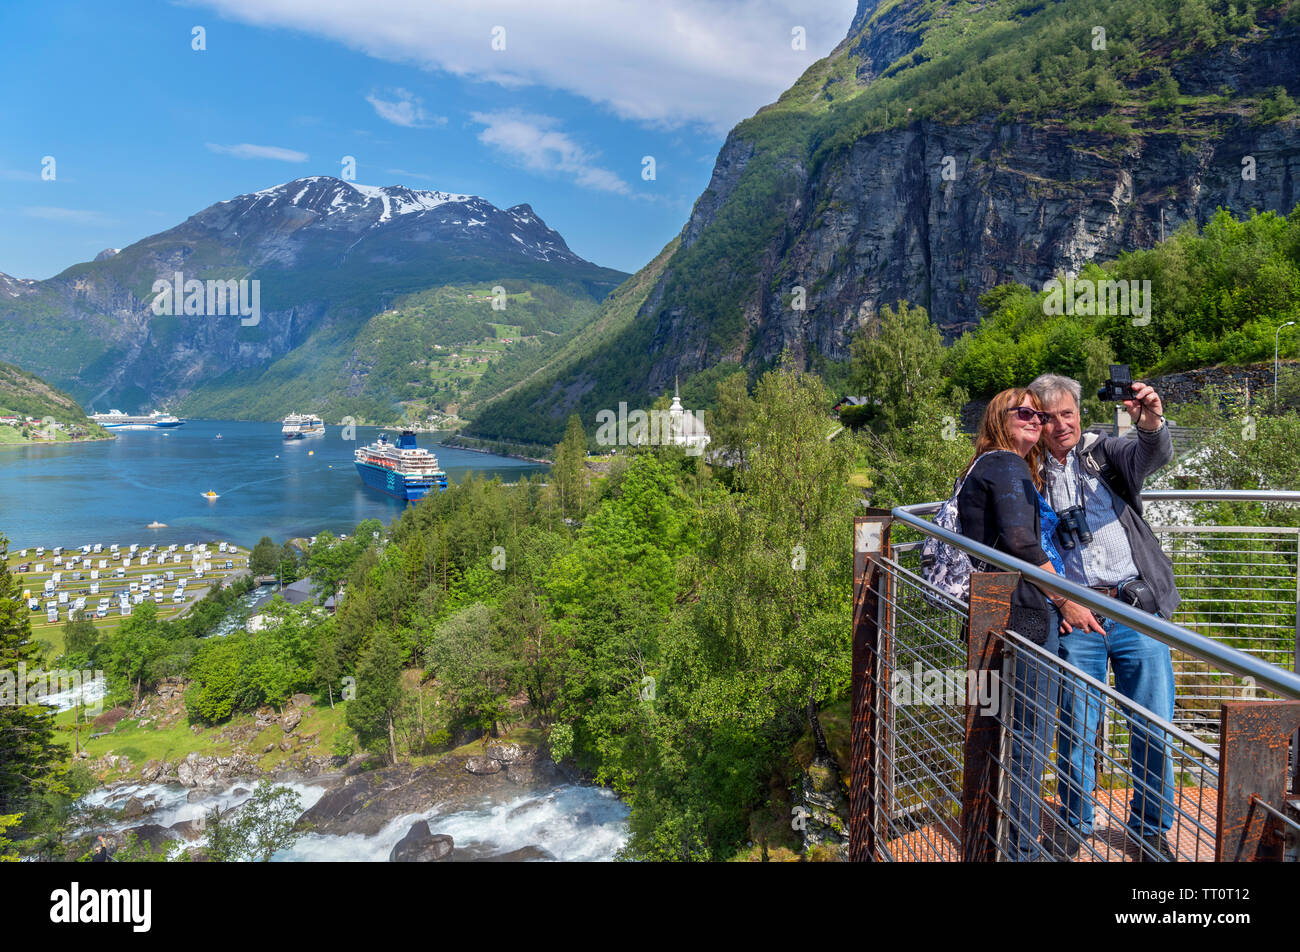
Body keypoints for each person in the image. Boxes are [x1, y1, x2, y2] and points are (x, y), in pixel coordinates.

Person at [1027, 373, 1179, 863]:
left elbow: (1151, 455)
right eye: (1048, 418)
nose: (1059, 425)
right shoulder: (1028, 472)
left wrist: (1151, 419)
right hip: (1077, 613)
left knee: (1153, 726)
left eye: (1067, 414)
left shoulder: (1104, 452)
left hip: (1136, 610)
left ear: (1078, 412)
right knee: (1075, 728)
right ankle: (1074, 823)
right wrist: (1060, 601)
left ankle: (1150, 828)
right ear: (1038, 422)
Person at [956, 388, 1090, 860]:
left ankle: (999, 841)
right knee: (1031, 738)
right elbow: (1021, 544)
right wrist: (1067, 602)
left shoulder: (985, 464)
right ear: (1000, 418)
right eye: (1026, 413)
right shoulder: (1006, 464)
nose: (1037, 420)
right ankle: (1020, 852)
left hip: (996, 610)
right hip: (1025, 613)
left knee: (1004, 732)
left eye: (1042, 414)